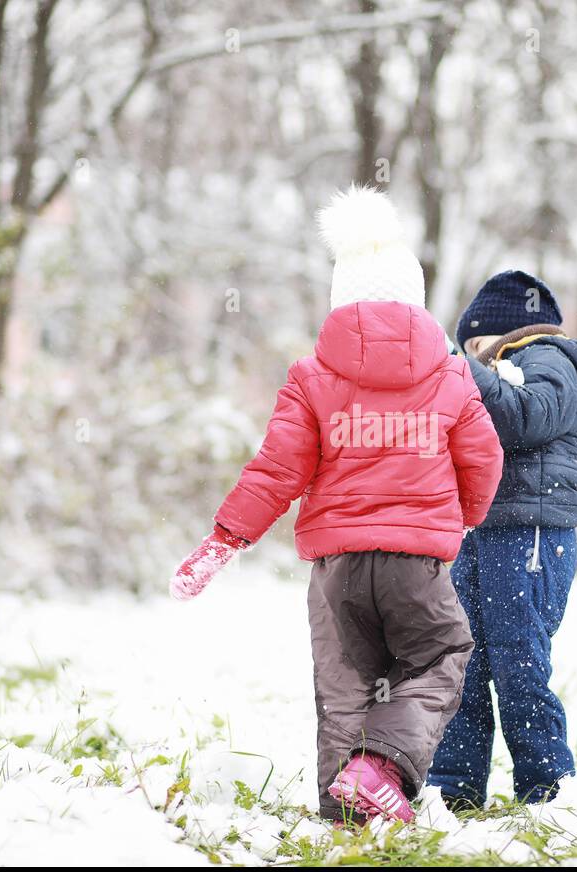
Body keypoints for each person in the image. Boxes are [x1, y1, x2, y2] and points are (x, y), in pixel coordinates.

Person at [170, 186, 503, 824]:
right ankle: (380, 771)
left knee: (346, 685)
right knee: (440, 654)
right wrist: (464, 516)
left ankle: (342, 811)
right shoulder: (452, 375)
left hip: (337, 568)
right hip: (418, 565)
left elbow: (277, 470)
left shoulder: (311, 377)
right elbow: (484, 460)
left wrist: (223, 541)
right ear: (417, 300)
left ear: (339, 300)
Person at [429, 270, 577, 808]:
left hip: (530, 535)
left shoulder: (548, 360)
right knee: (462, 660)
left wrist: (458, 367)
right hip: (483, 529)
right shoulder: (500, 370)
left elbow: (524, 417)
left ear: (506, 331)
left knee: (520, 664)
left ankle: (548, 786)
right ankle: (453, 787)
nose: (471, 355)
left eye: (475, 344)